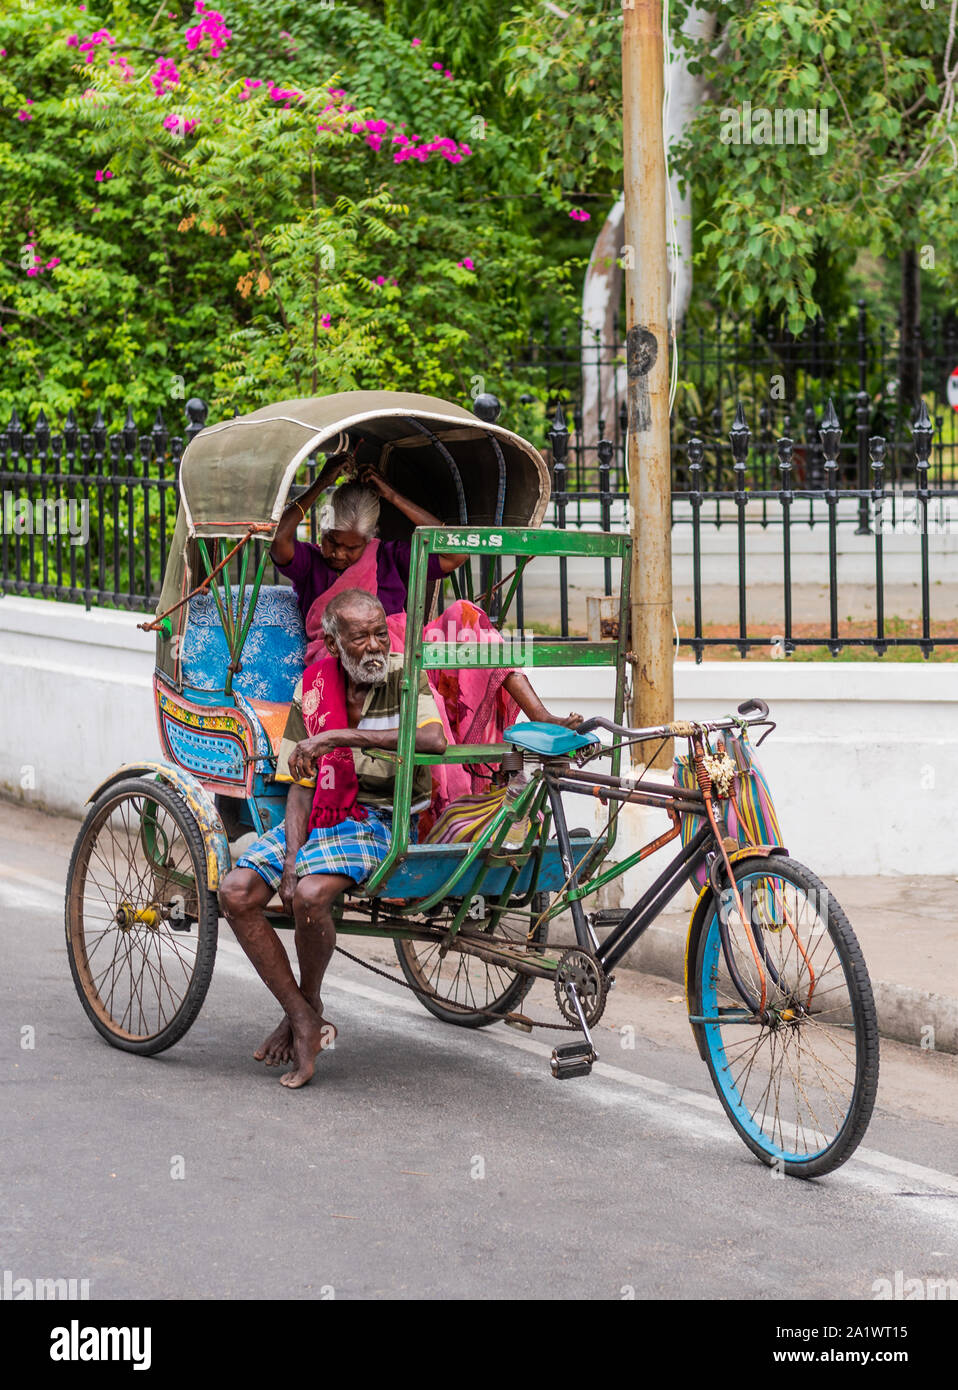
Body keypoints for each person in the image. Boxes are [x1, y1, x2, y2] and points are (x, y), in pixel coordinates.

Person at [270, 456, 581, 825]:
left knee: (466, 614)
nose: (339, 555)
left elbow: (455, 551)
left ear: (370, 540)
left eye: (351, 548)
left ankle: (540, 715)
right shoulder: (309, 562)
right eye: (332, 542)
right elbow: (279, 540)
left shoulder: (388, 555)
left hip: (407, 646)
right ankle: (449, 802)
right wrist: (322, 483)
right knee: (404, 660)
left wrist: (392, 495)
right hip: (351, 658)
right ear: (321, 535)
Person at [218, 589, 447, 1089]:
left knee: (310, 896)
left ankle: (307, 1007)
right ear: (332, 640)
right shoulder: (313, 687)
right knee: (235, 892)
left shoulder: (405, 674)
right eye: (360, 636)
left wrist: (341, 738)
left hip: (384, 816)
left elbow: (433, 740)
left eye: (379, 633)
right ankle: (304, 1016)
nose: (373, 646)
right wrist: (292, 859)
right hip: (321, 813)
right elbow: (300, 784)